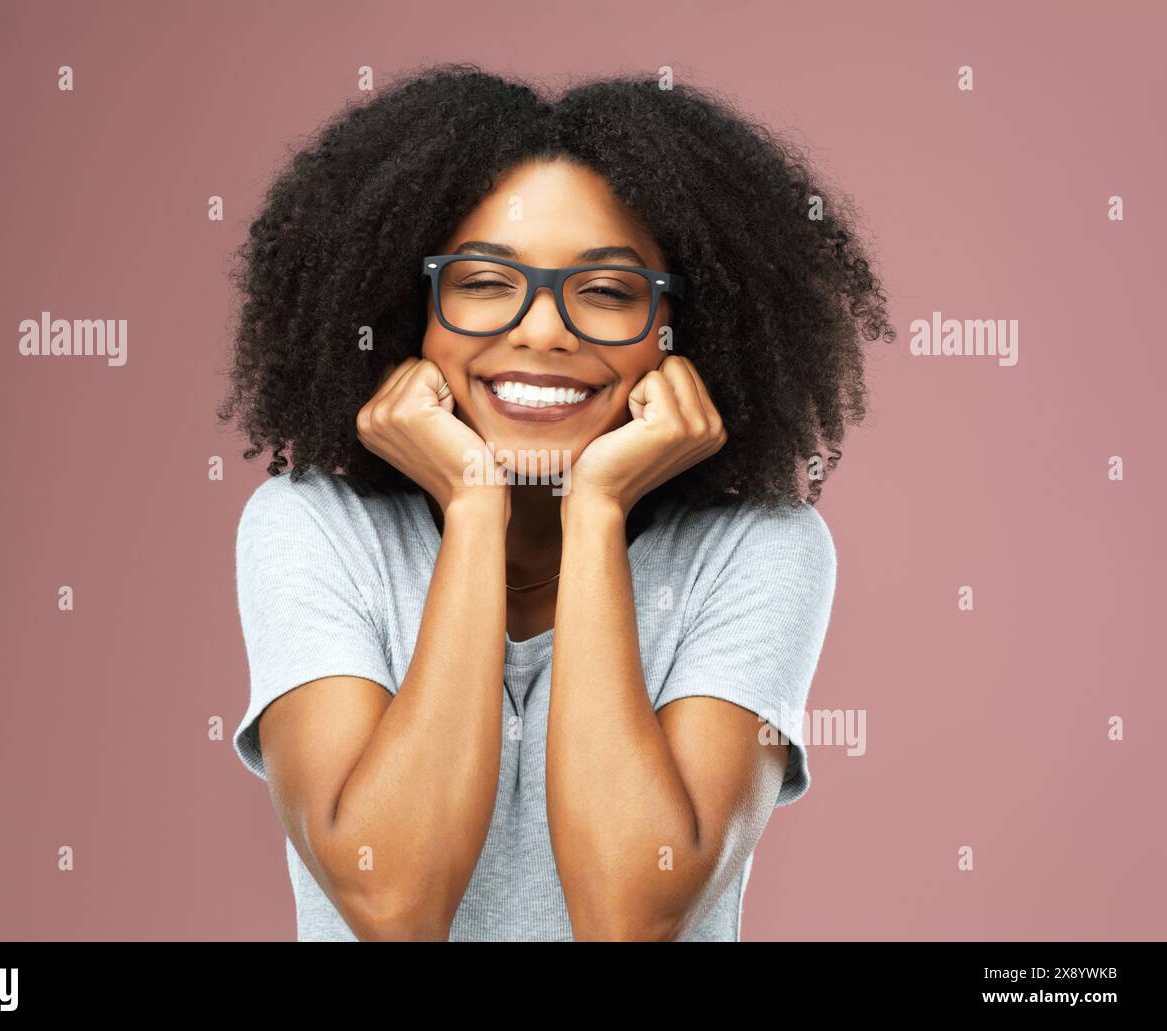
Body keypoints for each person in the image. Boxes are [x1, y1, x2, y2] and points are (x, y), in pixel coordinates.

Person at [217, 62, 894, 941]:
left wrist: (598, 509)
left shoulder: (759, 549)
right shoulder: (312, 528)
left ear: (680, 333)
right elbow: (394, 902)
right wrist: (472, 503)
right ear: (406, 311)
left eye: (609, 291)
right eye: (483, 282)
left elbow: (628, 914)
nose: (542, 329)